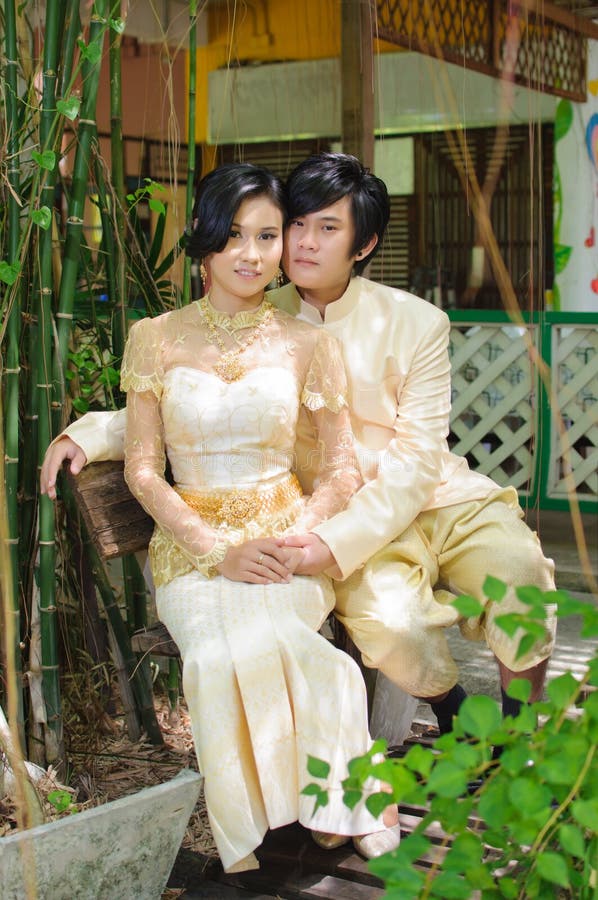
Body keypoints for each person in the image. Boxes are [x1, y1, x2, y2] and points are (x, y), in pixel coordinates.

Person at [41, 152, 556, 741]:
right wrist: (86, 433)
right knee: (393, 626)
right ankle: (456, 714)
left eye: (328, 229)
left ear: (363, 247)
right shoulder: (260, 312)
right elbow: (194, 402)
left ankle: (518, 737)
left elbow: (417, 461)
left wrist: (326, 544)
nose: (304, 243)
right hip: (353, 520)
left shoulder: (417, 323)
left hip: (439, 498)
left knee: (521, 579)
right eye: (297, 224)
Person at [108, 163, 400, 873]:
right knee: (213, 657)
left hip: (284, 544)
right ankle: (264, 821)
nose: (251, 252)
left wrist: (297, 539)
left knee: (310, 653)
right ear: (206, 241)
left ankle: (339, 801)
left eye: (268, 235)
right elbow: (142, 469)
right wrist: (216, 550)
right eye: (234, 234)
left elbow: (340, 470)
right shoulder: (155, 337)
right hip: (193, 552)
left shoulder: (309, 344)